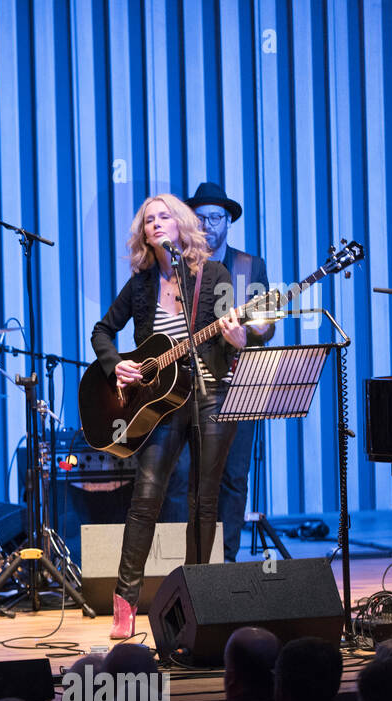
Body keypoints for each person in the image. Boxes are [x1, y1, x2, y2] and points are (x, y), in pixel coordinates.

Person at [90, 194, 245, 639]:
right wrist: (113, 363)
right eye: (148, 220)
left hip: (209, 395)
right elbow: (103, 329)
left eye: (163, 217)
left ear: (180, 226)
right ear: (144, 234)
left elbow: (232, 335)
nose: (155, 224)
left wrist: (236, 338)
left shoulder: (213, 274)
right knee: (146, 497)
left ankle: (197, 598)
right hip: (158, 401)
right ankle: (125, 604)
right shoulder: (140, 283)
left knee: (204, 500)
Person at [160, 183, 272, 561]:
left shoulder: (249, 266)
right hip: (188, 387)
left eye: (216, 217)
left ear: (228, 221)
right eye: (201, 217)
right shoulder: (179, 266)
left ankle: (225, 561)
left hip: (240, 381)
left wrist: (249, 333)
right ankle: (186, 564)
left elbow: (267, 325)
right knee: (182, 475)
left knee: (234, 475)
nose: (208, 224)